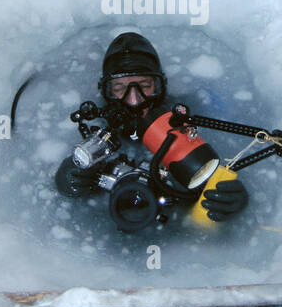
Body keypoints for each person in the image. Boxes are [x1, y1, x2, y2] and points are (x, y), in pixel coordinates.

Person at [54, 31, 248, 222]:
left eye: (144, 85)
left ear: (160, 87)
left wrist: (231, 199)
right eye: (119, 88)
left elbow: (215, 170)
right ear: (106, 93)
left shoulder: (186, 120)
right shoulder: (94, 126)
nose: (133, 100)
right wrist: (68, 178)